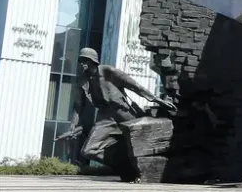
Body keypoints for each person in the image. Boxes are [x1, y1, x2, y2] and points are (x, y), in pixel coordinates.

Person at [62, 48, 176, 178]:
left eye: (85, 60)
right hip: (105, 115)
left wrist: (156, 99)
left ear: (93, 61)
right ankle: (123, 165)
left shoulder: (108, 72)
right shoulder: (82, 80)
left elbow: (135, 86)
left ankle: (139, 169)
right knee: (88, 150)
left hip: (123, 112)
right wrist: (72, 125)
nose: (82, 64)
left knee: (138, 142)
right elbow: (78, 105)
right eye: (81, 61)